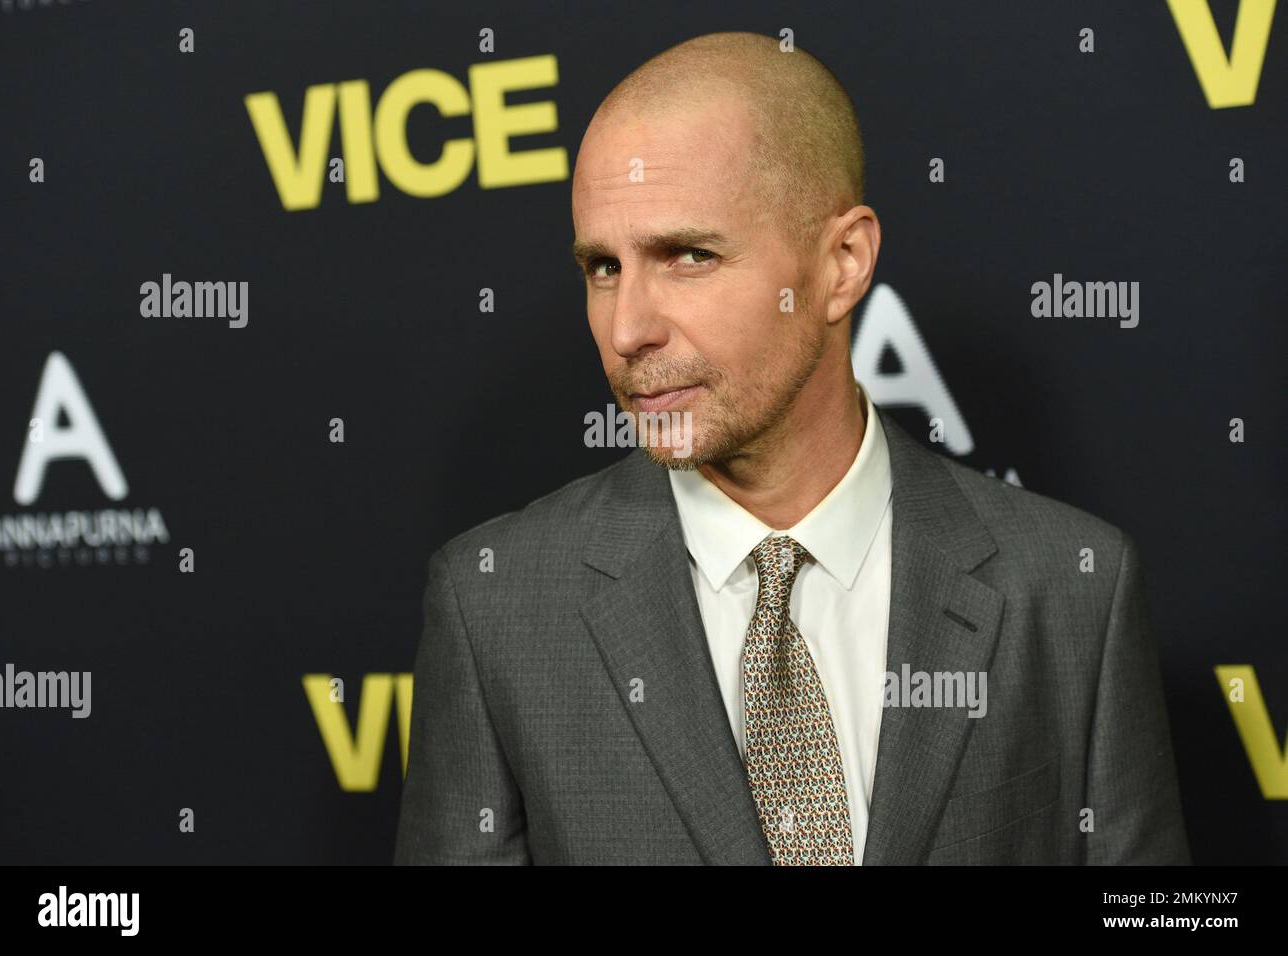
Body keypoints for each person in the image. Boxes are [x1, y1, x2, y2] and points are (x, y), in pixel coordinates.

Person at [394, 31, 1189, 865]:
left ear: (842, 263)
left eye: (689, 256)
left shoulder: (1072, 589)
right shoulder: (496, 607)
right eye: (602, 267)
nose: (627, 329)